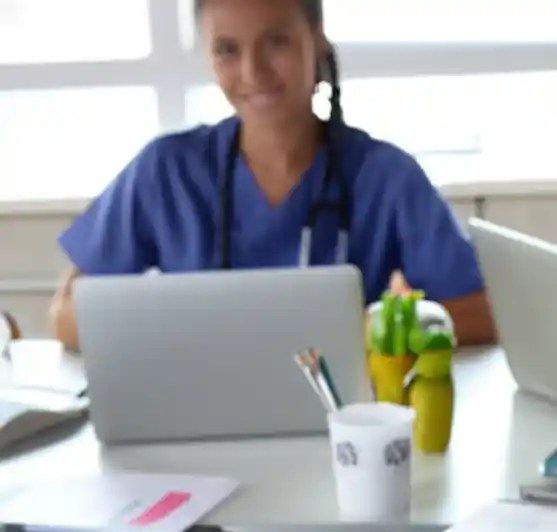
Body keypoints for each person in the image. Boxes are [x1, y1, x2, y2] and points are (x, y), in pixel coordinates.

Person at [49, 0, 496, 351]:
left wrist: (369, 329)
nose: (253, 72)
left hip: (341, 423)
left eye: (276, 42)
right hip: (200, 419)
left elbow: (484, 312)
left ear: (316, 41)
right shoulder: (167, 171)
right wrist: (176, 331)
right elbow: (65, 315)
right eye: (227, 50)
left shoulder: (383, 176)